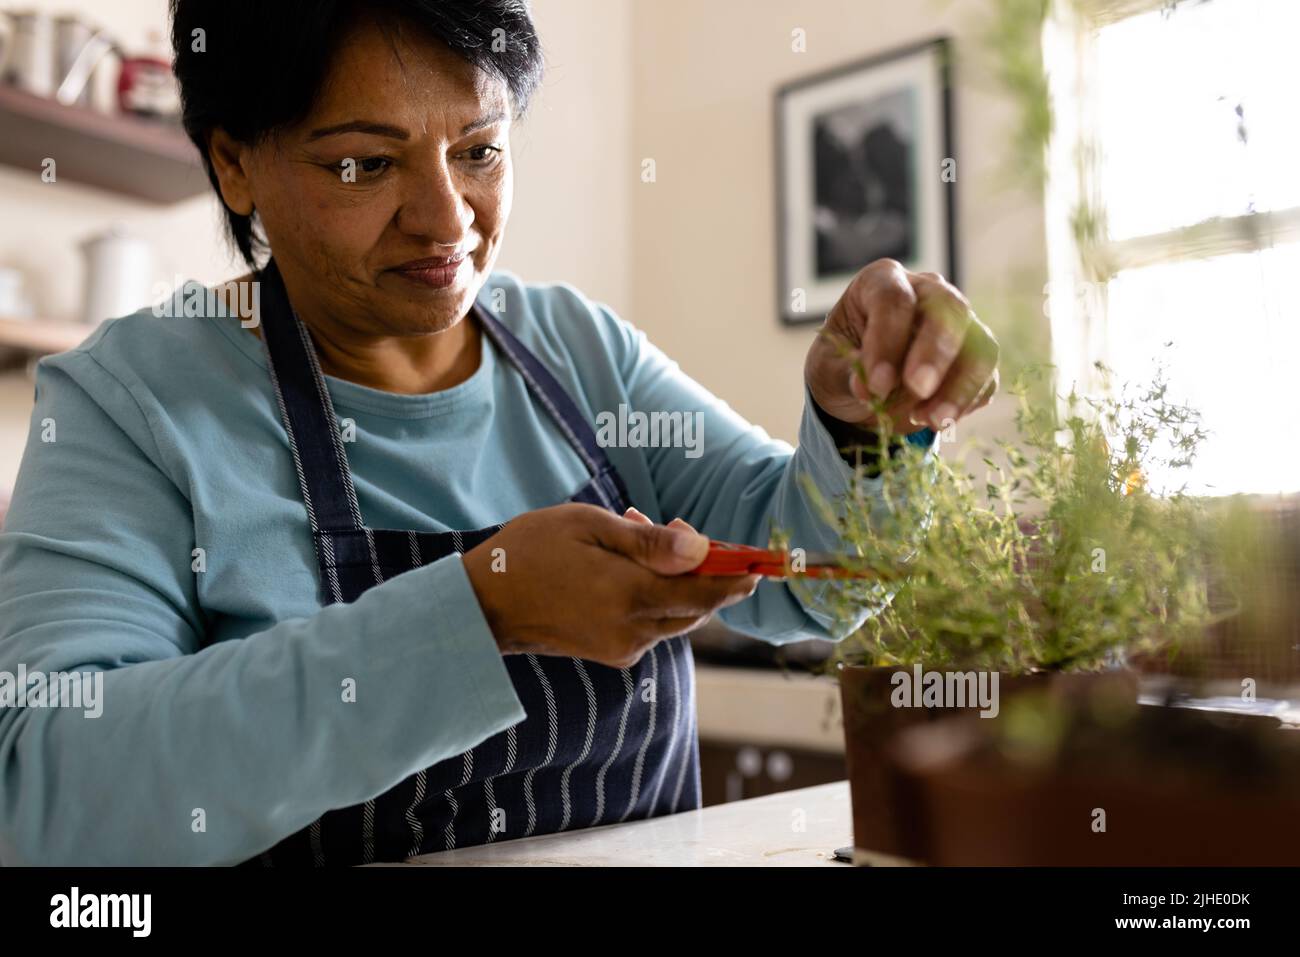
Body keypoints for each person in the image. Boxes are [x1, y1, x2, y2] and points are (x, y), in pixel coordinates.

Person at [0, 0, 998, 865]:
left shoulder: (576, 350)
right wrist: (480, 616)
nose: (447, 220)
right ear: (235, 164)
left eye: (478, 150)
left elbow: (815, 585)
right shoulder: (129, 400)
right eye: (364, 162)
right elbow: (44, 793)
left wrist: (859, 426)